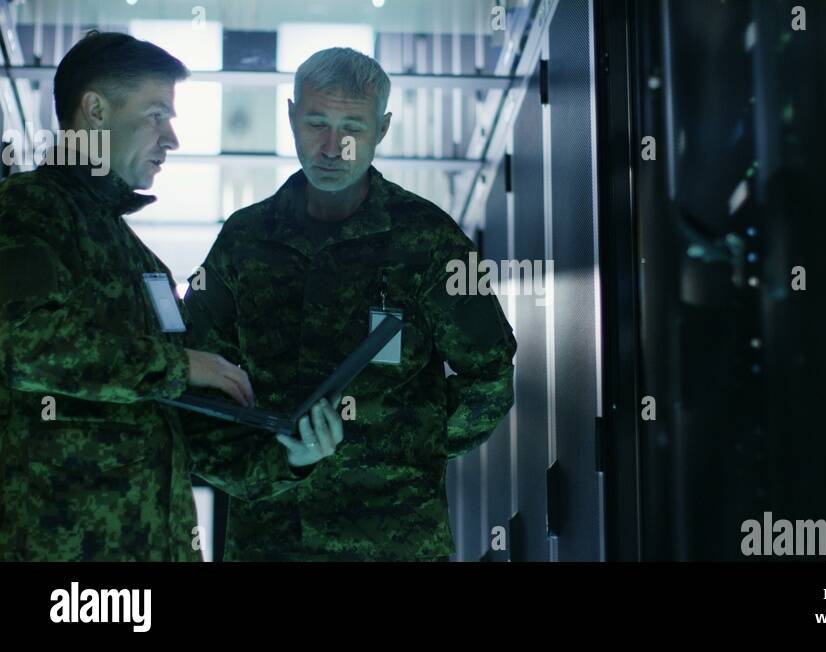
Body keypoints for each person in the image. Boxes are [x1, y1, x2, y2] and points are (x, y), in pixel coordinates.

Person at [0, 31, 339, 561]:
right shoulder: (27, 211)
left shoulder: (143, 264)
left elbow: (187, 432)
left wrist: (292, 456)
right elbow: (24, 345)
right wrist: (180, 365)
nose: (171, 138)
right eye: (157, 114)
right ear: (94, 109)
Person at [184, 47, 517, 561]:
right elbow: (197, 380)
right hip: (270, 539)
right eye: (316, 123)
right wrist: (261, 464)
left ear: (382, 130)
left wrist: (408, 444)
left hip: (396, 539)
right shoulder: (244, 240)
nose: (332, 147)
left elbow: (491, 377)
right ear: (290, 115)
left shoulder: (430, 241)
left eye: (353, 129)